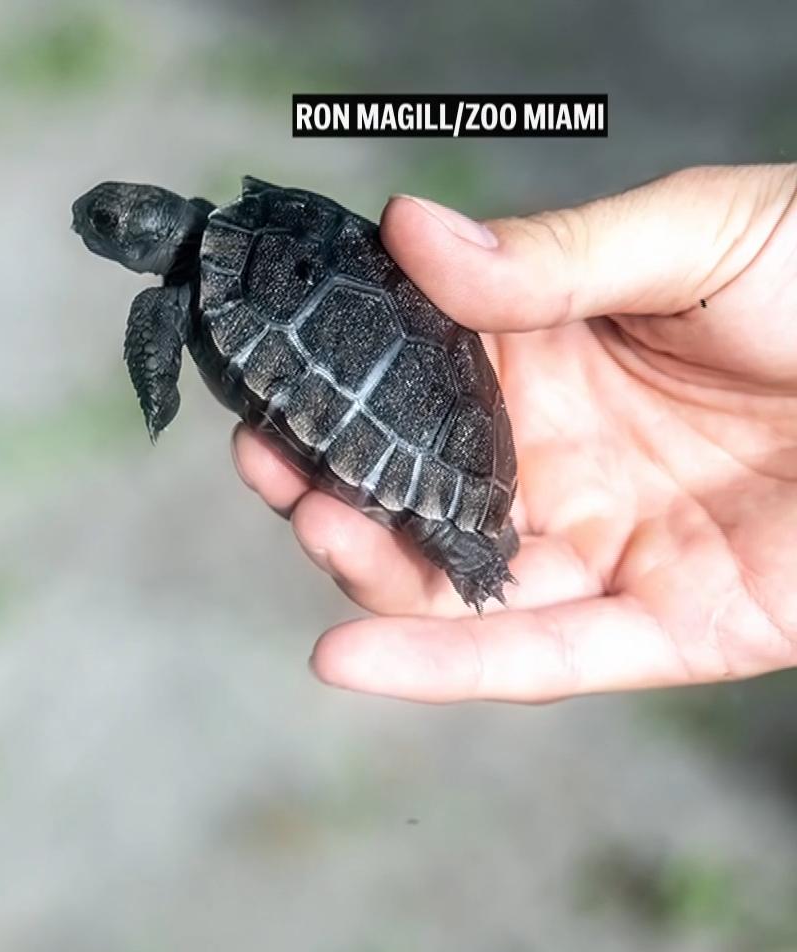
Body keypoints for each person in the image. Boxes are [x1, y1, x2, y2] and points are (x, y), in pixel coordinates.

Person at [228, 164, 797, 705]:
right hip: (437, 432)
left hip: (425, 429)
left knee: (436, 531)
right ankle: (471, 538)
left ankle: (471, 547)